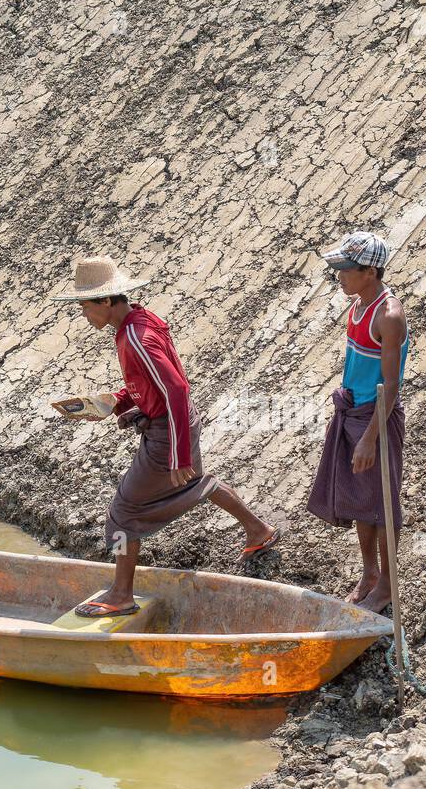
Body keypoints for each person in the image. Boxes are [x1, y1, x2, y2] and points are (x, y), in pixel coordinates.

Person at [52, 255, 279, 617]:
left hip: (169, 431)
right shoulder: (139, 323)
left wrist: (178, 455)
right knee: (196, 484)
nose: (83, 314)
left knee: (124, 512)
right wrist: (118, 401)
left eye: (84, 305)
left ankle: (121, 594)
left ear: (107, 301)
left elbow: (175, 388)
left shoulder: (136, 336)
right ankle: (259, 529)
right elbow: (153, 383)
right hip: (176, 423)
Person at [307, 232, 409, 613]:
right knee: (359, 499)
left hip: (375, 417)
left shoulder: (388, 315)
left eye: (345, 269)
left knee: (382, 503)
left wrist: (370, 438)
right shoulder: (358, 306)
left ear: (369, 270)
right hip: (353, 411)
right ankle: (369, 572)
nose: (339, 276)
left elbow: (392, 384)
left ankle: (387, 583)